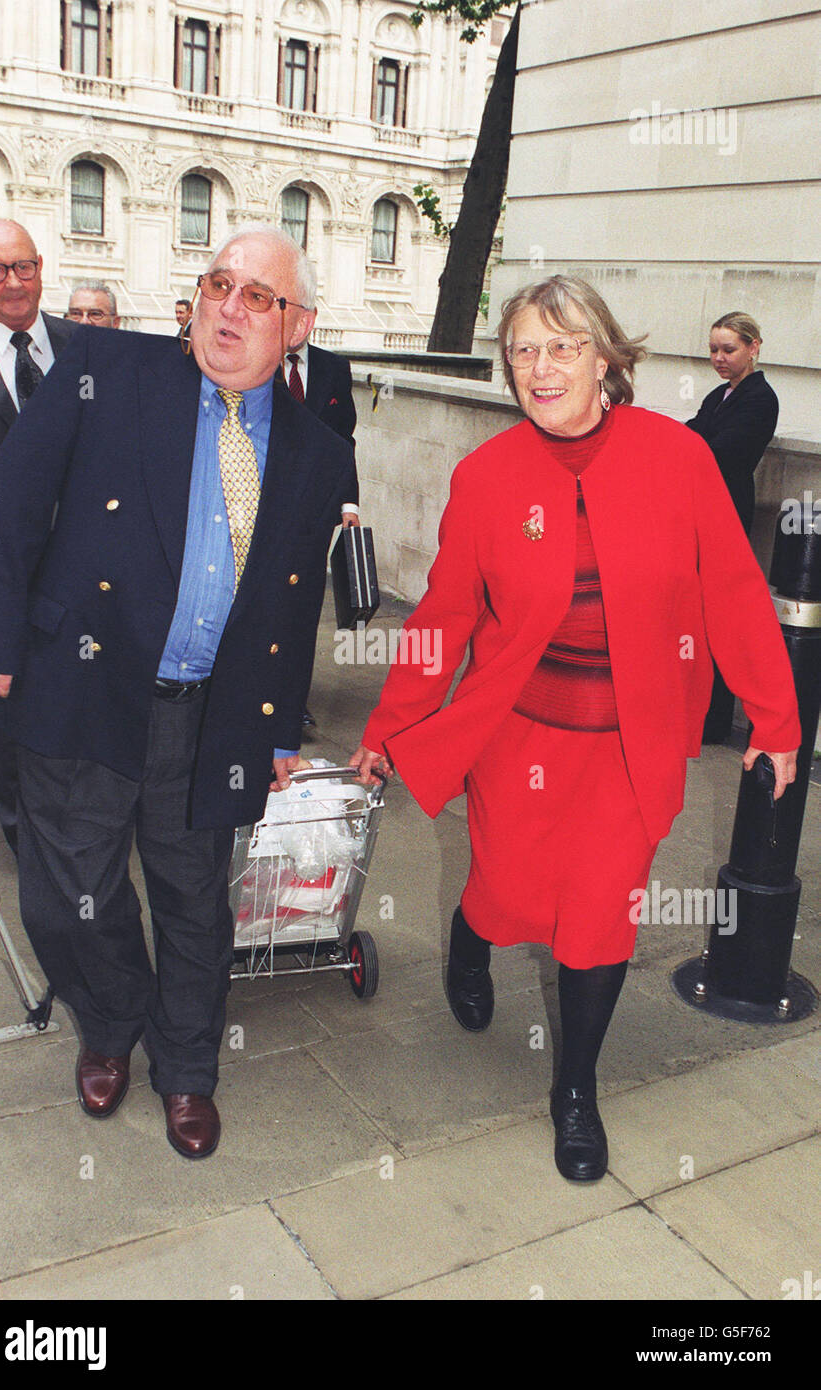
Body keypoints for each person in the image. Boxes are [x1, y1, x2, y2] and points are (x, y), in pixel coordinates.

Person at [351, 275, 799, 1185]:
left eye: (561, 346)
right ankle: (472, 936)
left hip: (628, 748)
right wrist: (387, 726)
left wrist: (776, 718)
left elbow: (734, 593)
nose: (540, 366)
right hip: (519, 740)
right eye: (523, 349)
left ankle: (576, 1091)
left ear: (605, 359)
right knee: (506, 888)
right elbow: (445, 616)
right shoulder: (487, 477)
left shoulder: (677, 459)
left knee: (599, 919)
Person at [0, 224, 357, 1160]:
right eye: (219, 283)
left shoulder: (313, 450)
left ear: (295, 325)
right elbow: (7, 498)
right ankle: (109, 1020)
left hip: (211, 712)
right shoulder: (109, 368)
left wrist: (278, 727)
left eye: (258, 297)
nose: (228, 306)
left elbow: (296, 604)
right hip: (82, 685)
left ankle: (186, 1070)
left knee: (193, 906)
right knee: (65, 901)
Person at [0, 218, 75, 855]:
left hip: (87, 582)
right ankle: (27, 843)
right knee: (7, 716)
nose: (12, 283)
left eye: (23, 266)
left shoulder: (85, 348)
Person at [686, 312, 779, 742]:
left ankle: (714, 719)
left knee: (719, 617)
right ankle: (696, 711)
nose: (719, 358)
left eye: (729, 349)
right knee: (694, 613)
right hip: (701, 510)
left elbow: (720, 451)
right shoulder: (718, 396)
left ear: (753, 347)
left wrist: (688, 446)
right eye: (713, 350)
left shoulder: (761, 399)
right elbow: (691, 438)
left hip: (727, 514)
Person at [279, 321, 360, 728]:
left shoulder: (334, 369)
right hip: (262, 508)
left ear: (310, 319)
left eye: (299, 315)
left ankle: (293, 701)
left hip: (316, 511)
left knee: (303, 606)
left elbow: (344, 440)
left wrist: (349, 503)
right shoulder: (257, 358)